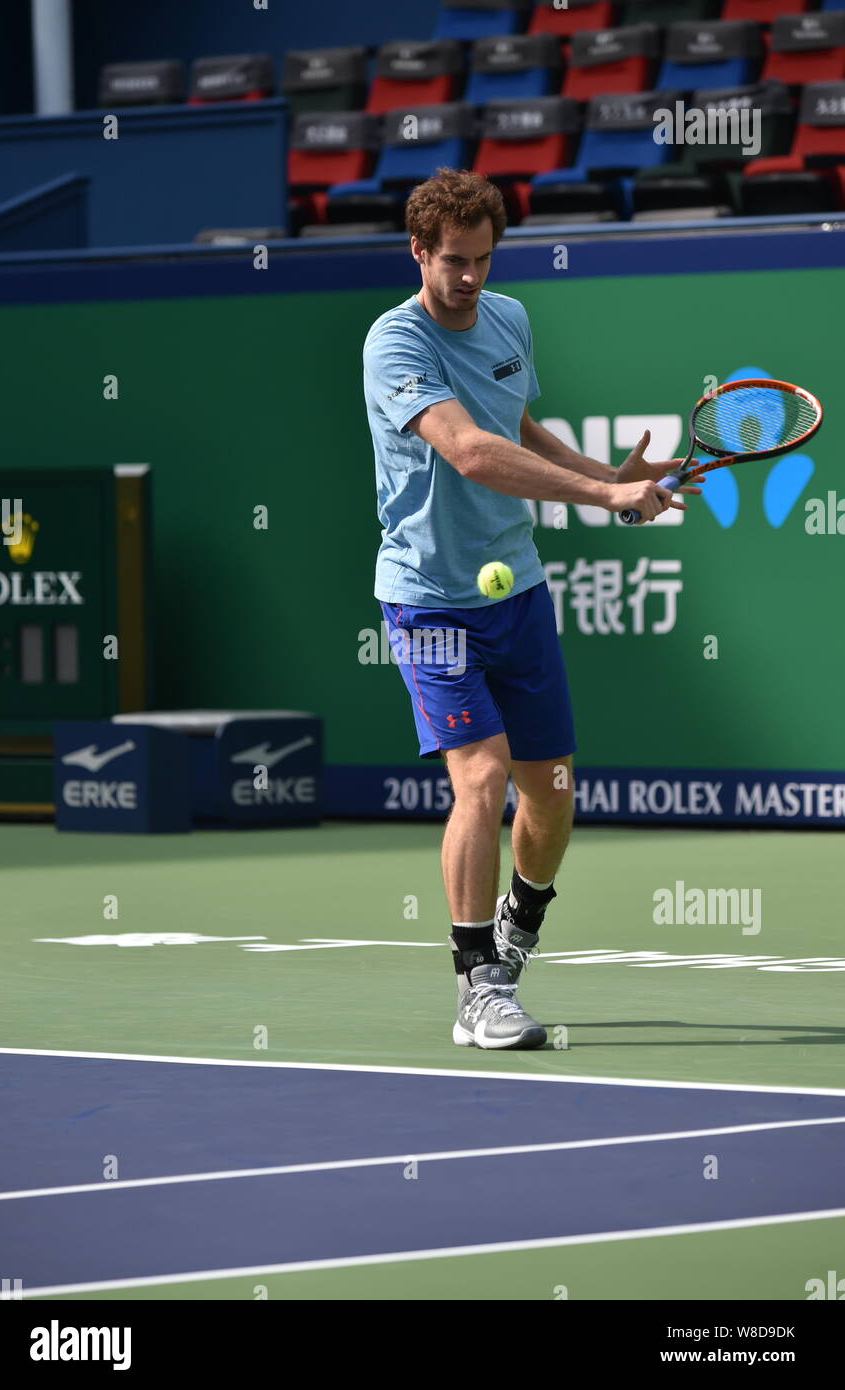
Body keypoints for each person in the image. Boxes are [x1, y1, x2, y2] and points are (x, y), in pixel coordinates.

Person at [363, 168, 697, 1050]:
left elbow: (511, 424)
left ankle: (516, 933)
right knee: (478, 778)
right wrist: (597, 493)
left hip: (515, 588)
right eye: (450, 263)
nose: (467, 278)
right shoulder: (392, 345)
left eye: (479, 260)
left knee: (548, 793)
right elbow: (469, 451)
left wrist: (611, 477)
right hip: (427, 599)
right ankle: (476, 986)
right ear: (418, 253)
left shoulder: (507, 317)